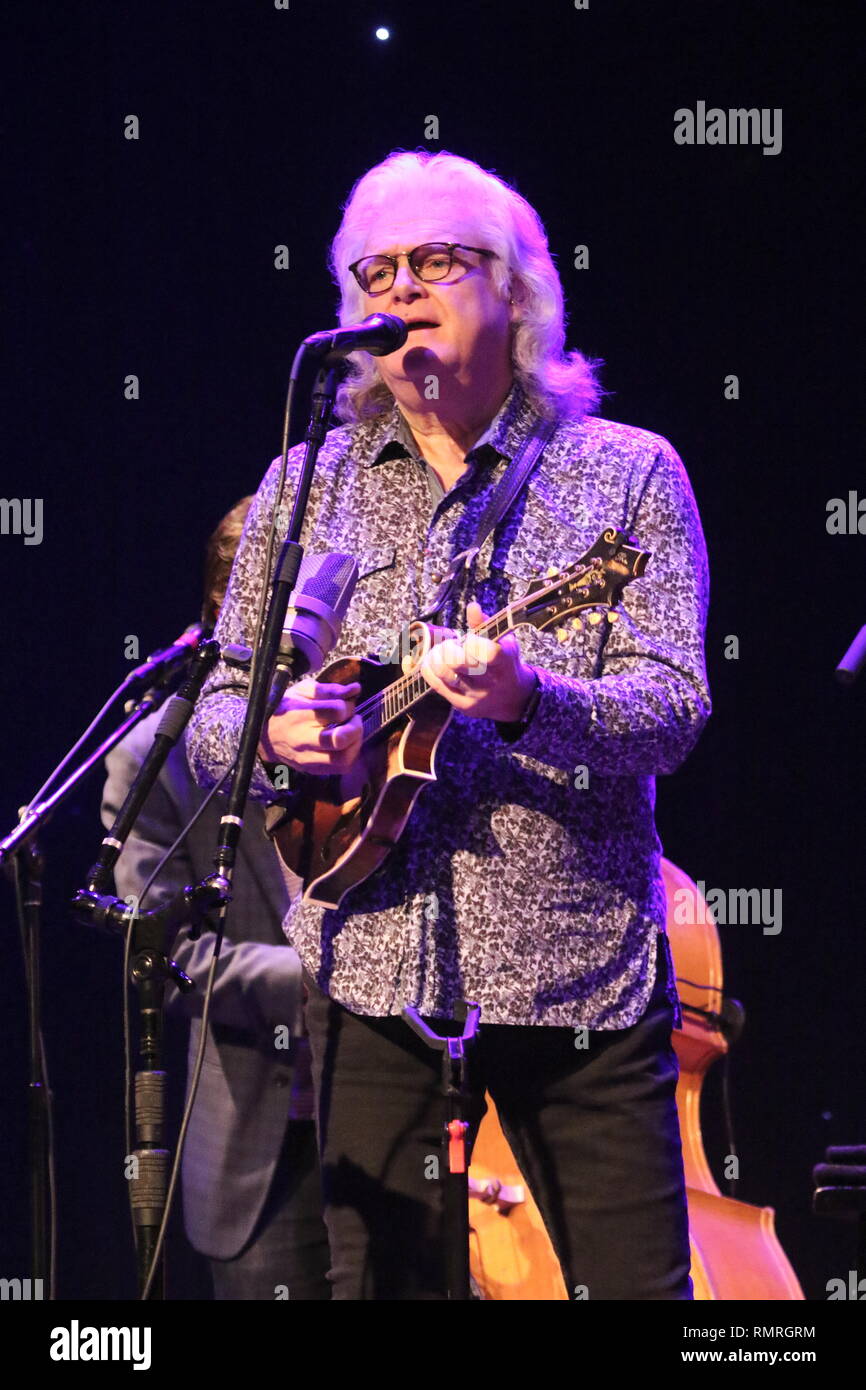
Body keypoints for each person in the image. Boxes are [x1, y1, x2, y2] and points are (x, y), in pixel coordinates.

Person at [187, 149, 712, 1300]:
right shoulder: (305, 484)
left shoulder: (625, 476)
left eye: (435, 260)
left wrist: (530, 700)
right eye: (372, 270)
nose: (398, 288)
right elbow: (215, 711)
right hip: (373, 975)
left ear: (515, 292)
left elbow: (671, 708)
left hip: (579, 973)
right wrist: (275, 737)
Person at [102, 498, 330, 1300]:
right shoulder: (156, 760)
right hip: (263, 1155)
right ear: (224, 614)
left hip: (397, 1127)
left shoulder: (367, 728)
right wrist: (314, 984)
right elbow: (158, 952)